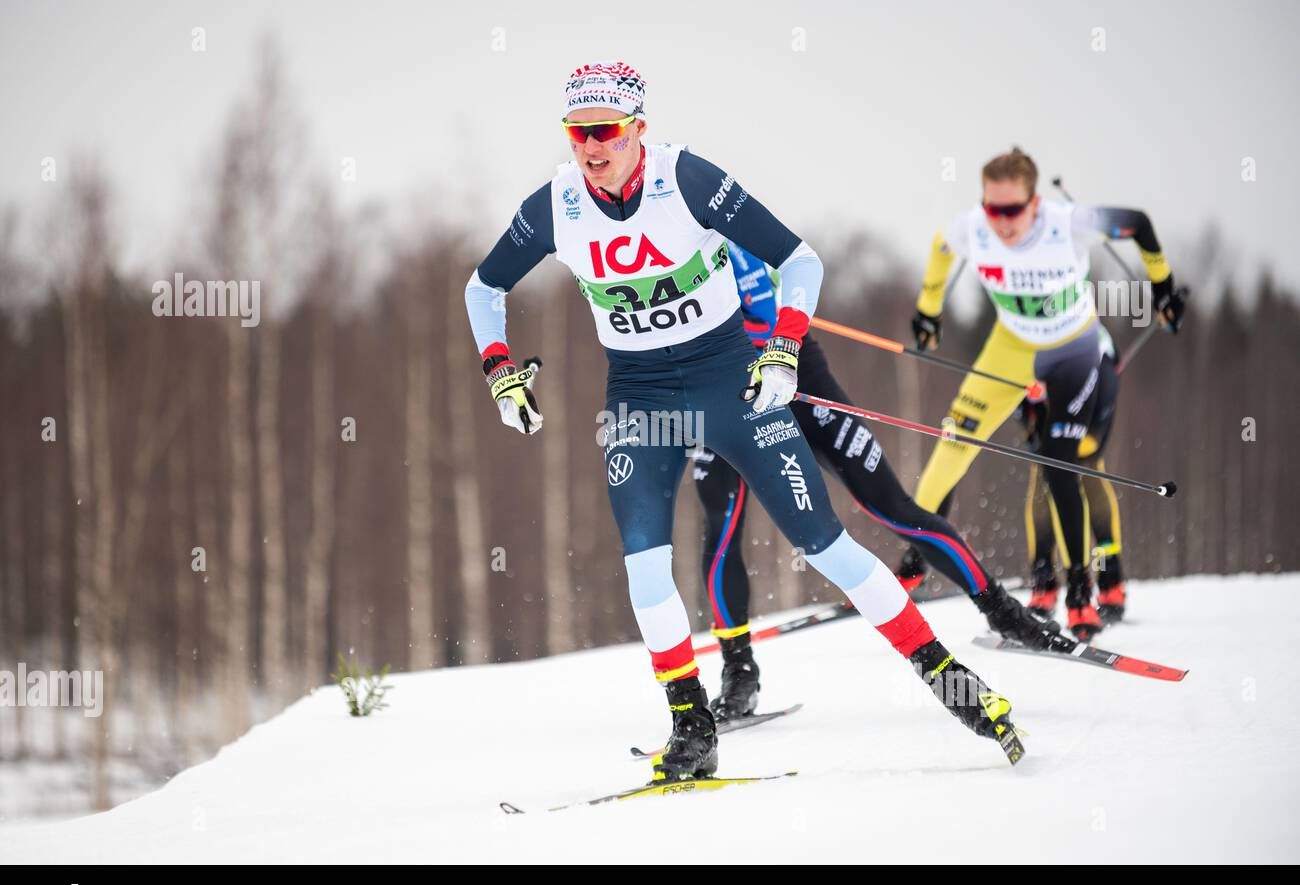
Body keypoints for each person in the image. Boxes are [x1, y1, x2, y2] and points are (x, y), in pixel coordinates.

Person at [464, 61, 1024, 778]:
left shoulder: (686, 179)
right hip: (639, 396)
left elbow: (801, 260)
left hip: (727, 379)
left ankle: (958, 687)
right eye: (576, 135)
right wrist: (500, 370)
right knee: (644, 561)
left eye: (604, 132)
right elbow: (484, 288)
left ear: (639, 128)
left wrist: (785, 347)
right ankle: (692, 726)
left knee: (826, 545)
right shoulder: (555, 205)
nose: (590, 149)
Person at [694, 242, 1071, 722]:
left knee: (891, 505)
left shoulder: (725, 240)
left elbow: (769, 316)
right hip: (722, 394)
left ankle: (1003, 611)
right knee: (721, 527)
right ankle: (739, 671)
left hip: (790, 374)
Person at [895, 147, 1184, 639]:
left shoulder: (1066, 222)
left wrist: (1162, 285)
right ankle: (915, 556)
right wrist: (929, 310)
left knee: (1058, 463)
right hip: (1011, 344)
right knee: (953, 439)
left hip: (1073, 345)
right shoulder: (973, 229)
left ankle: (1079, 593)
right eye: (992, 209)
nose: (1002, 222)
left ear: (1034, 203)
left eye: (1012, 210)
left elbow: (1138, 222)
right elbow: (943, 246)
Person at [1022, 325, 1126, 627]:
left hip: (1089, 405)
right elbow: (1021, 409)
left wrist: (1077, 445)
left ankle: (1109, 576)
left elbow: (1098, 431)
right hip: (1051, 400)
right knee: (1042, 475)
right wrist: (1031, 424)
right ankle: (1044, 578)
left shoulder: (1097, 366)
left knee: (1086, 468)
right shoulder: (1022, 354)